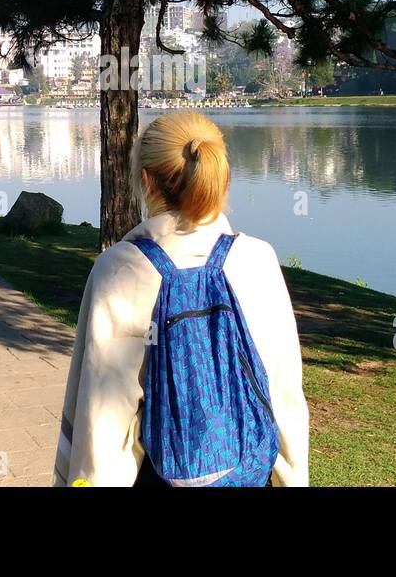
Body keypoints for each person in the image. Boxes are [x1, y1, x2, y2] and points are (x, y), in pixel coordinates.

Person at [54, 110, 309, 486]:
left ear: (144, 179)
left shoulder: (121, 268)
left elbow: (103, 415)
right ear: (219, 175)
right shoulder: (257, 260)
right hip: (251, 475)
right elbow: (283, 392)